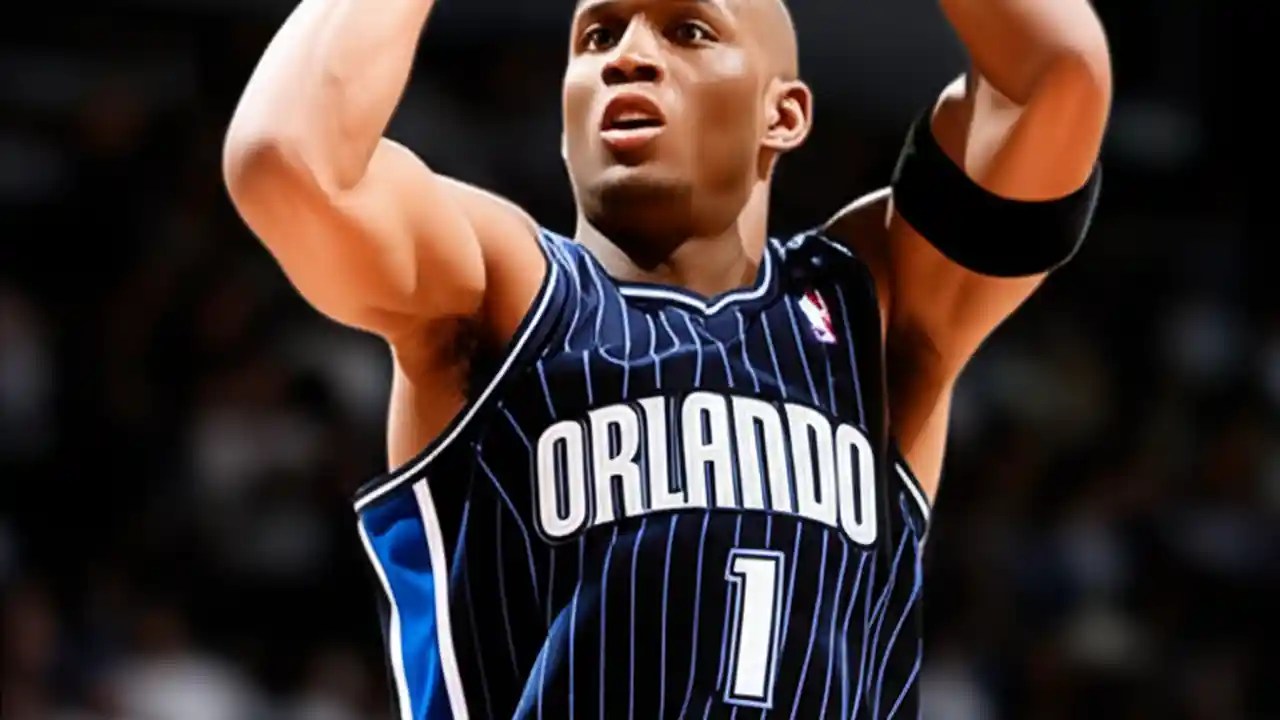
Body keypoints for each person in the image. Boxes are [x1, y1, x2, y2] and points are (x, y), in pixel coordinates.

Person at [222, 0, 1110, 716]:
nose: (627, 56)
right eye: (597, 35)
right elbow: (287, 160)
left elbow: (1056, 78)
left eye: (688, 30)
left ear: (785, 113)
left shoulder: (871, 304)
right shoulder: (502, 290)